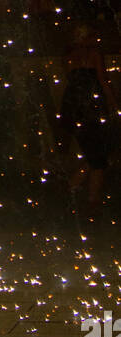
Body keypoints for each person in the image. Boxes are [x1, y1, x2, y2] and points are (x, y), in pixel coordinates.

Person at [58, 21, 119, 224]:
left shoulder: (68, 55)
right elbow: (102, 80)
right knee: (98, 158)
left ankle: (71, 192)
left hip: (73, 106)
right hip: (90, 108)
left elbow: (72, 81)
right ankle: (89, 201)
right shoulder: (93, 54)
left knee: (94, 154)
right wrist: (114, 106)